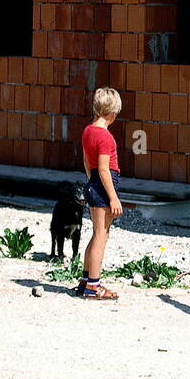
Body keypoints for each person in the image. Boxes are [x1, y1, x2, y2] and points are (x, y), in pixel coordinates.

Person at [80, 87, 124, 301]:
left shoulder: (88, 131)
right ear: (112, 113)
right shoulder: (105, 137)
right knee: (101, 235)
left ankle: (86, 280)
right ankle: (93, 286)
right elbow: (105, 168)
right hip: (104, 184)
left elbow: (88, 163)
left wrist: (91, 181)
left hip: (93, 182)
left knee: (96, 233)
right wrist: (113, 196)